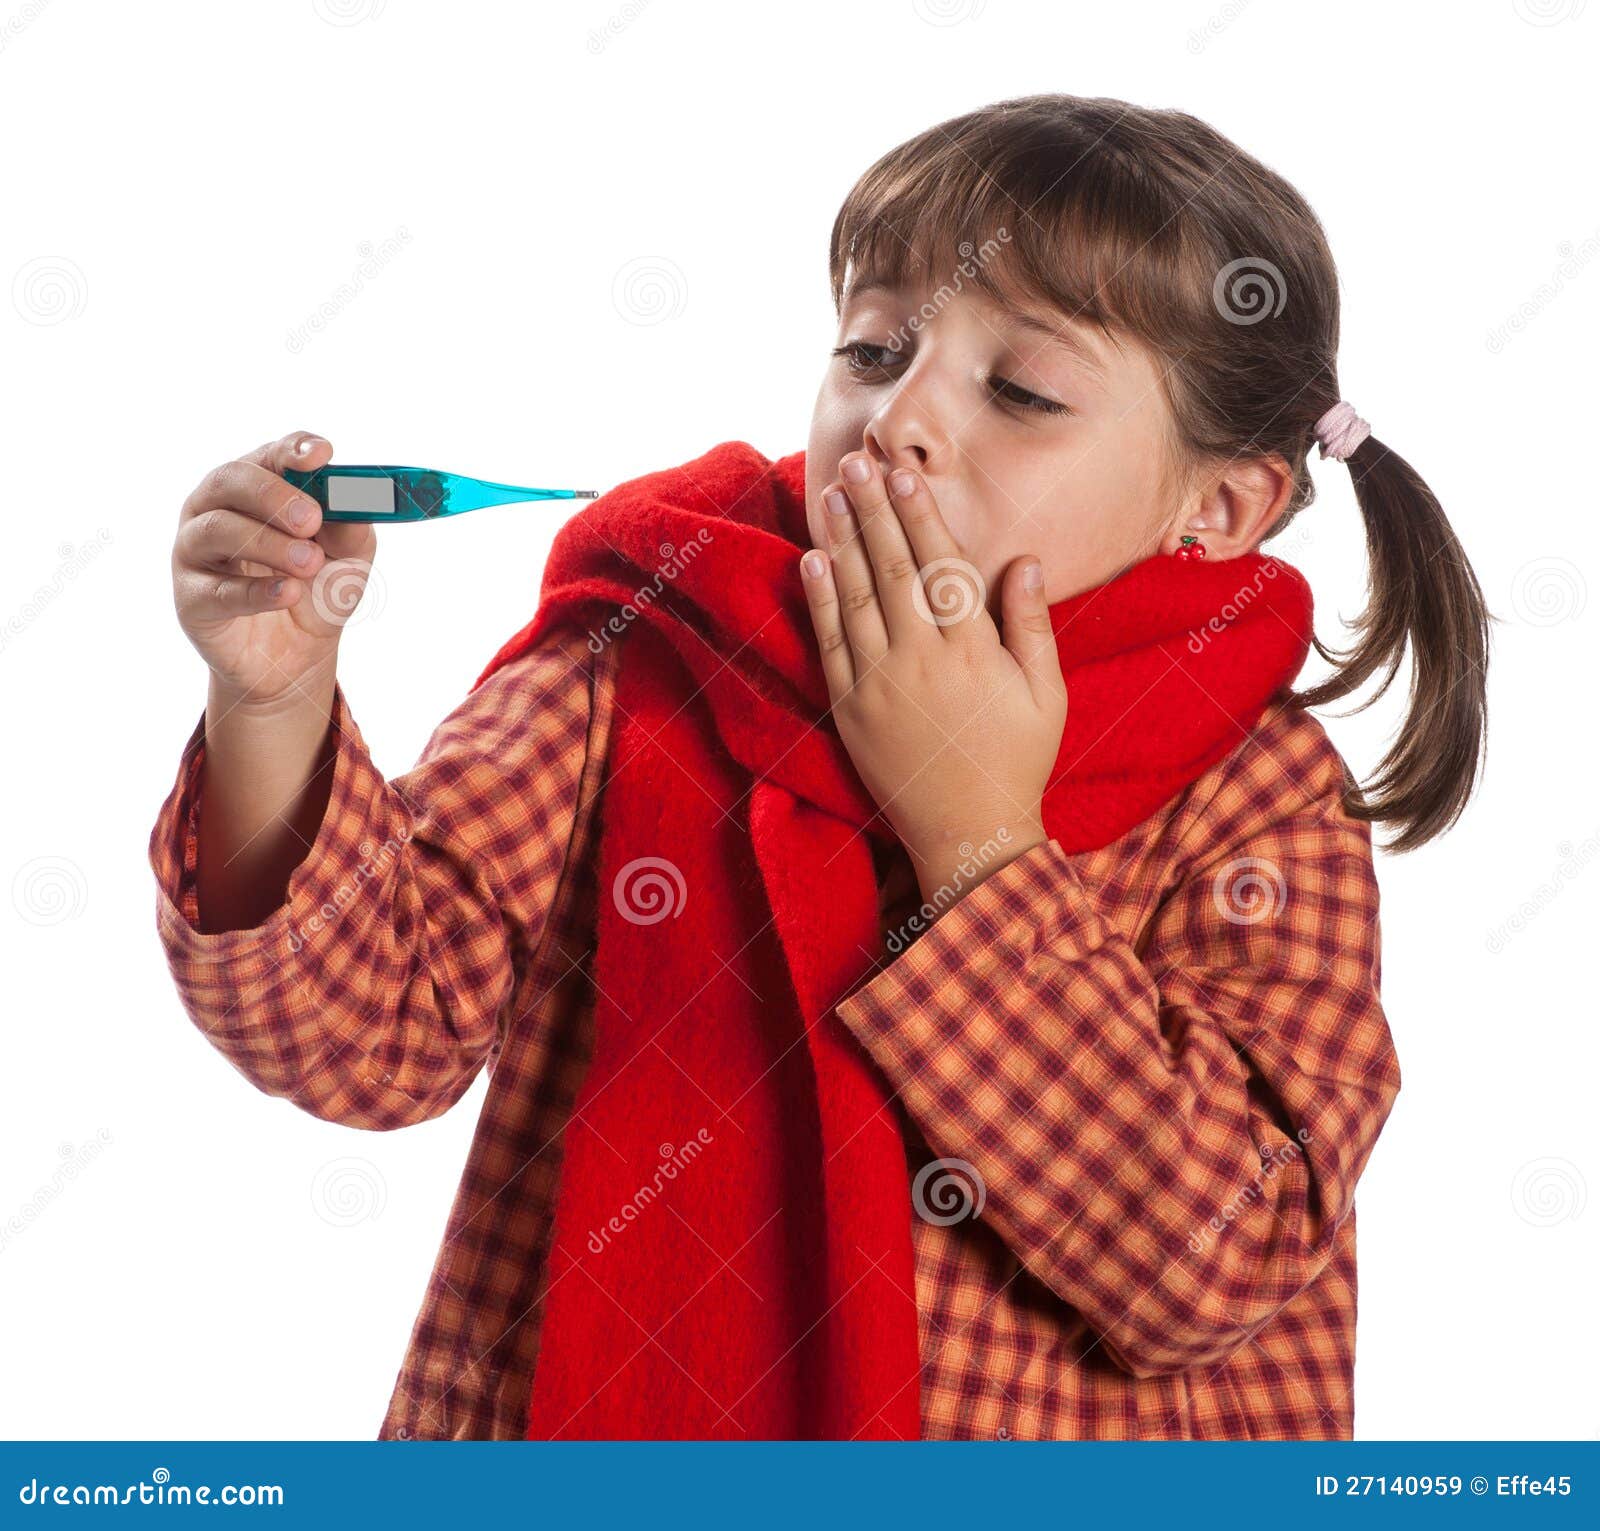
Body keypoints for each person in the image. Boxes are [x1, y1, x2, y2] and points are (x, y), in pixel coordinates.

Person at [150, 93, 1490, 1441]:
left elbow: (1216, 1255)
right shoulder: (651, 649)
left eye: (1020, 390)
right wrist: (272, 702)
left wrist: (974, 839)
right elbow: (367, 1039)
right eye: (872, 348)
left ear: (1221, 505)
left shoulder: (1255, 790)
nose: (897, 420)